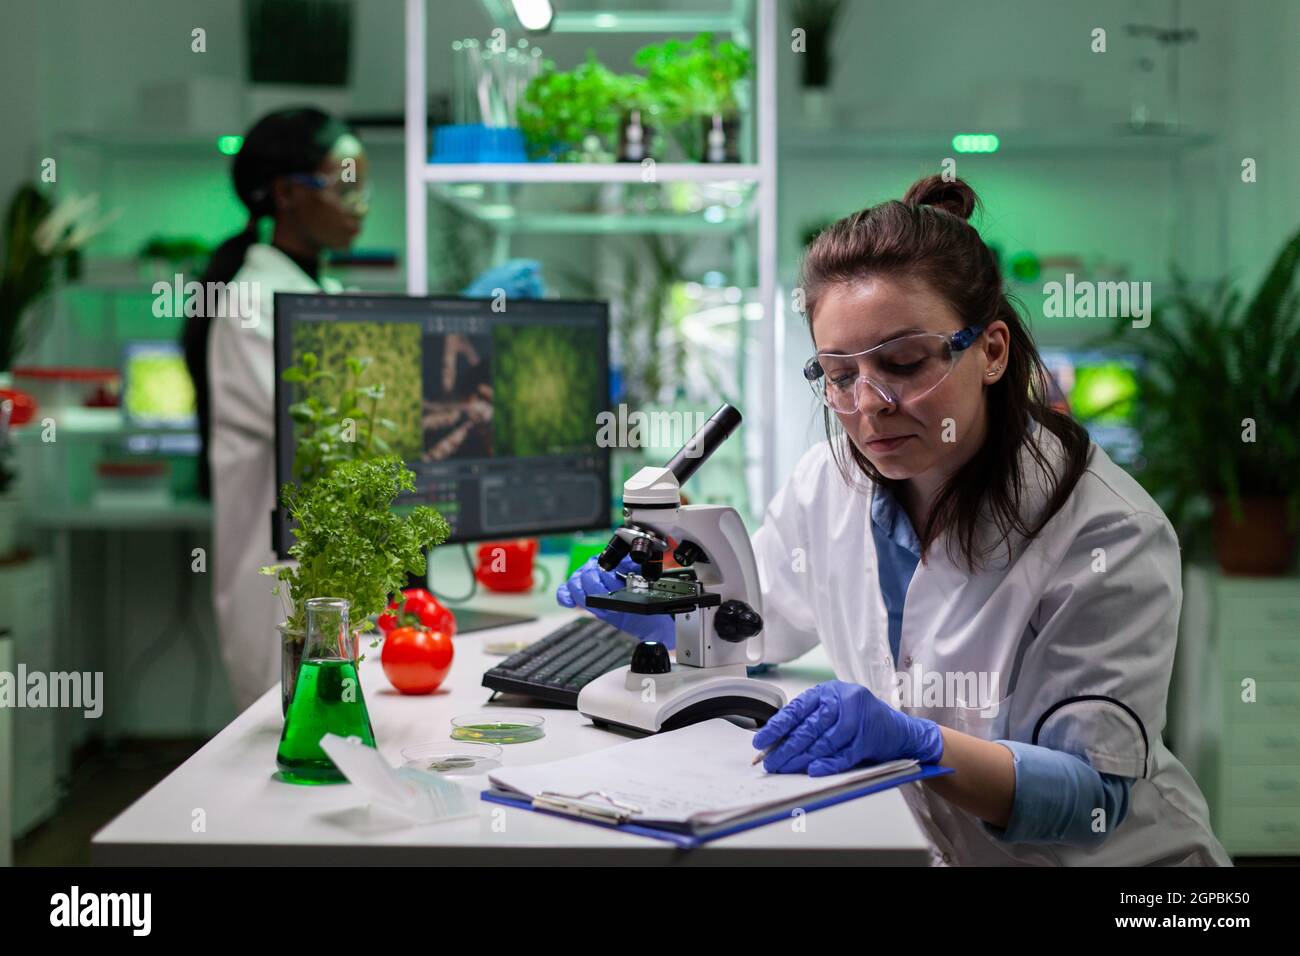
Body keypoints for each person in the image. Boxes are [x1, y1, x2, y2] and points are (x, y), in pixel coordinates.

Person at [557, 175, 1229, 866]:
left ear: (992, 351)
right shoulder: (829, 482)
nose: (869, 403)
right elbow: (755, 626)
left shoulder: (1105, 531)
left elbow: (1090, 802)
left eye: (903, 363)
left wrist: (919, 743)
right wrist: (668, 613)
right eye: (839, 375)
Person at [184, 108, 542, 710]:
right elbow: (344, 423)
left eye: (365, 186)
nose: (362, 203)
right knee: (290, 754)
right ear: (288, 193)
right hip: (283, 584)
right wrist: (458, 322)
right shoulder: (253, 302)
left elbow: (385, 401)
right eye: (346, 185)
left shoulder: (319, 295)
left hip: (334, 584)